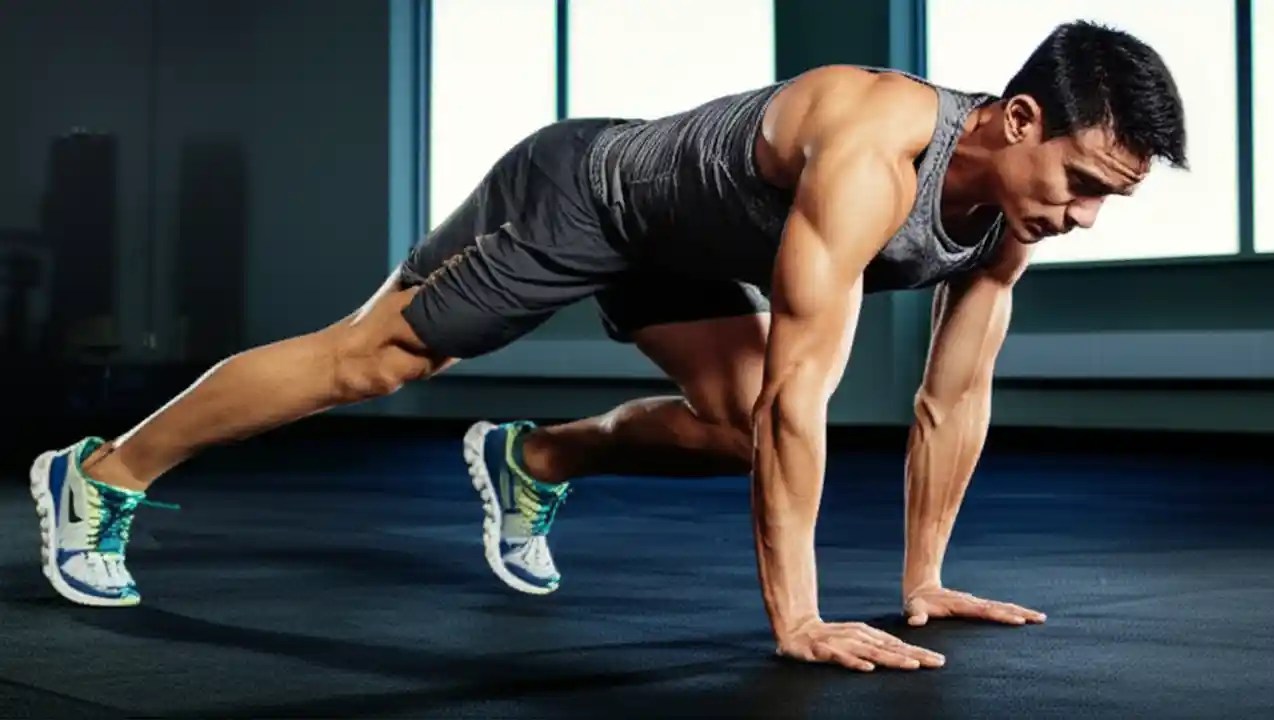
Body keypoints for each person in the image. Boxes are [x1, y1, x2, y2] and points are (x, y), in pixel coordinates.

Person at [30, 20, 1185, 672]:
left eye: (1107, 202)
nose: (1080, 216)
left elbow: (951, 397)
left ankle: (531, 463)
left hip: (680, 239)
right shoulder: (874, 142)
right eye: (1080, 184)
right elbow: (801, 390)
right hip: (582, 191)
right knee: (374, 359)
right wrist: (796, 619)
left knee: (734, 433)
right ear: (1016, 118)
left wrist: (920, 580)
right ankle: (101, 472)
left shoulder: (1008, 220)